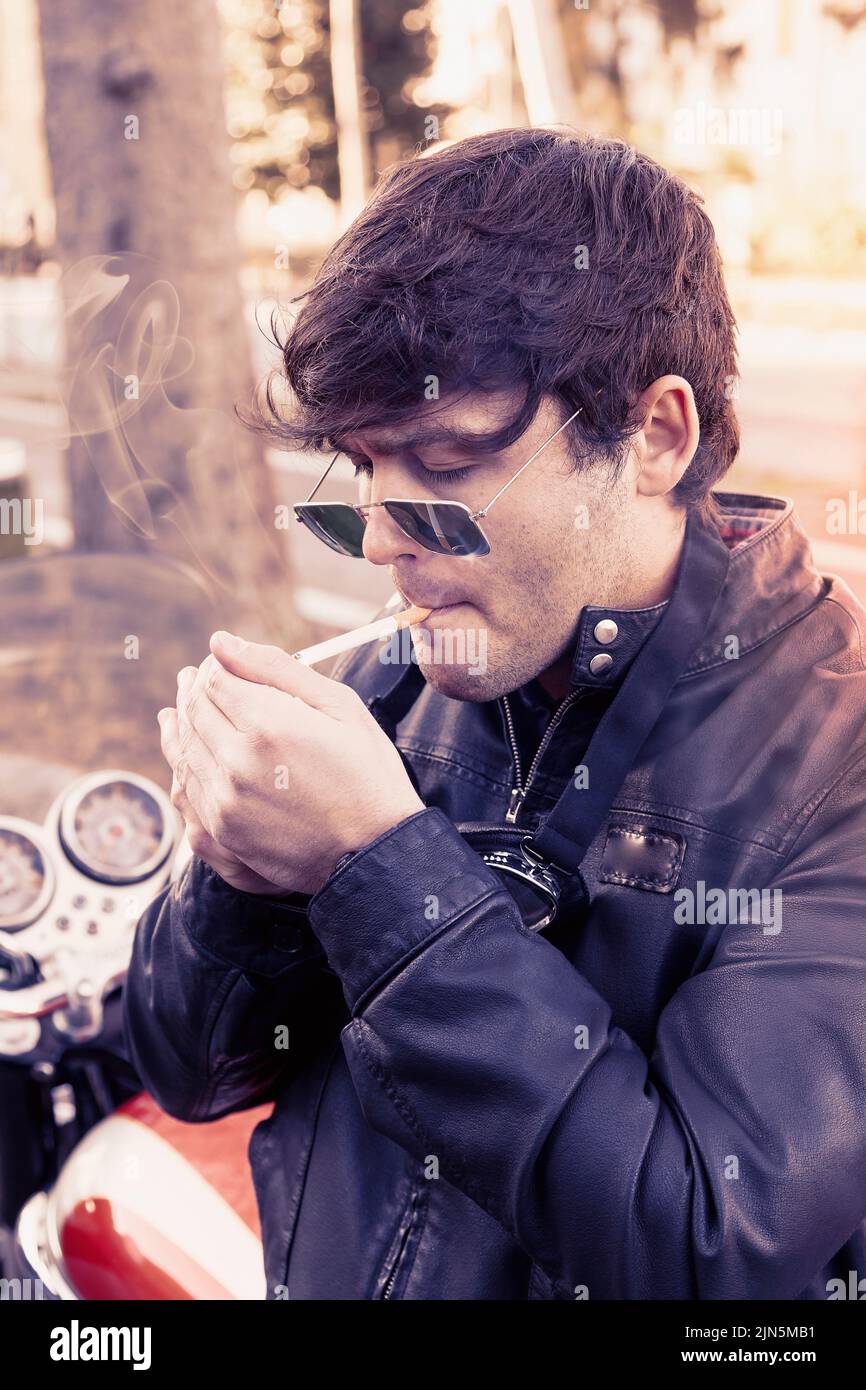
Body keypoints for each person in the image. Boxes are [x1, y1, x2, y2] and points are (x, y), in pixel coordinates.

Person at [122, 128, 866, 1300]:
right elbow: (190, 1072)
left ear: (654, 437)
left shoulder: (837, 759)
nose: (379, 540)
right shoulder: (379, 685)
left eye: (446, 466)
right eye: (362, 471)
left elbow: (703, 1246)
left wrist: (376, 869)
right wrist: (237, 870)